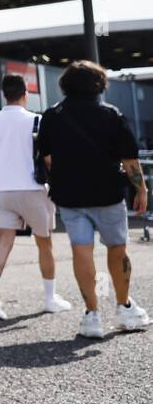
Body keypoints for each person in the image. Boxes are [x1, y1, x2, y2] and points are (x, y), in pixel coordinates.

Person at [37, 60, 149, 338]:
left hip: (70, 195)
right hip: (107, 193)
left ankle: (92, 315)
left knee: (81, 250)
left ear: (65, 85)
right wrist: (141, 190)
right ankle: (124, 307)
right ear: (99, 84)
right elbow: (130, 160)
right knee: (117, 248)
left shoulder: (52, 115)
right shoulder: (111, 114)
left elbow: (47, 157)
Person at [0, 73, 72, 319]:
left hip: (3, 191)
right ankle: (50, 298)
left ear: (3, 94)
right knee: (44, 243)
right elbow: (49, 159)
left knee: (4, 242)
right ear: (25, 94)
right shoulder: (37, 121)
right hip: (33, 189)